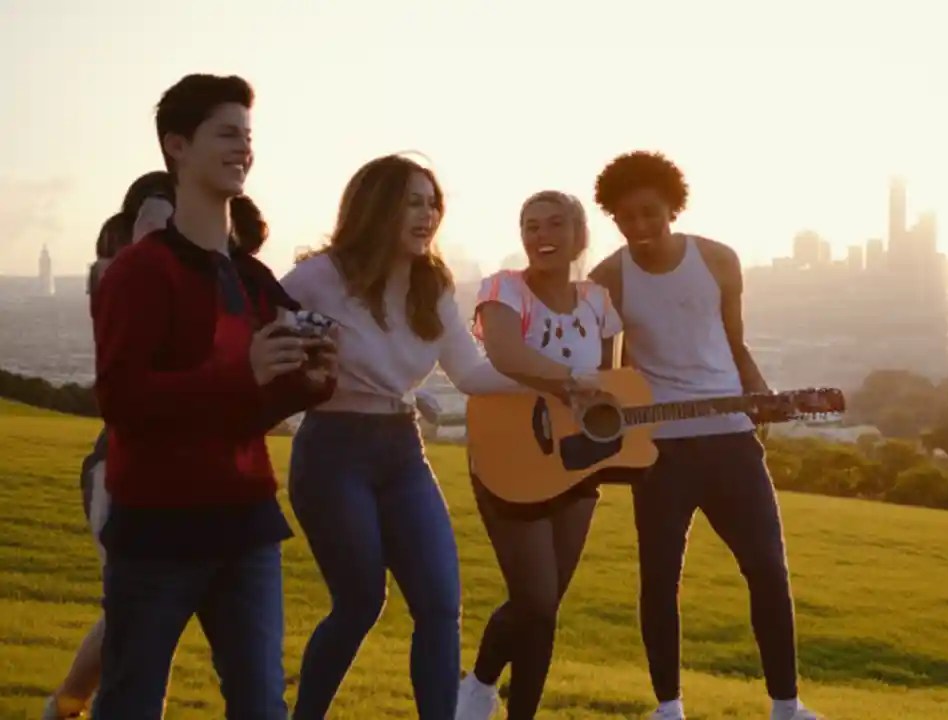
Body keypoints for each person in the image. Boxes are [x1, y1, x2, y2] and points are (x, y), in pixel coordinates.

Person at [280, 154, 573, 719]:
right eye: (412, 201)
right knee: (361, 601)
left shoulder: (430, 284)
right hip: (333, 450)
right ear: (375, 207)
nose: (427, 213)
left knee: (441, 605)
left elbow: (470, 373)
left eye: (432, 202)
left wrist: (557, 382)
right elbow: (256, 333)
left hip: (400, 448)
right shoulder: (320, 277)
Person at [88, 73, 337, 719]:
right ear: (177, 146)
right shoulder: (143, 272)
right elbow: (121, 399)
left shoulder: (253, 276)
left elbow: (253, 405)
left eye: (248, 136)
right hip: (156, 532)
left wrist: (309, 380)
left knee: (261, 705)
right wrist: (244, 374)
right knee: (132, 702)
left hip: (247, 524)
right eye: (226, 133)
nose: (243, 149)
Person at [587, 151, 823, 720]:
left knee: (767, 568)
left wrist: (761, 395)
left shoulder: (718, 260)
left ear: (673, 205)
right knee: (660, 578)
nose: (639, 229)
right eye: (625, 219)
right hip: (660, 450)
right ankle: (668, 709)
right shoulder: (608, 278)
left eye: (649, 214)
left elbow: (734, 345)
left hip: (731, 439)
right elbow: (607, 377)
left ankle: (786, 708)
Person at [454, 191, 621, 720]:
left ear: (578, 235)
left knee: (544, 611)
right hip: (508, 454)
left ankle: (512, 708)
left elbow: (613, 384)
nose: (541, 235)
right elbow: (506, 354)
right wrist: (571, 381)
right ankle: (479, 683)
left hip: (573, 460)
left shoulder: (598, 299)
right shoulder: (503, 289)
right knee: (535, 602)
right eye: (530, 226)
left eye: (555, 224)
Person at [44, 169, 175, 720]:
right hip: (117, 471)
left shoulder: (207, 272)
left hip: (186, 474)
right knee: (139, 611)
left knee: (137, 611)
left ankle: (66, 706)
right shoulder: (115, 276)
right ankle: (69, 706)